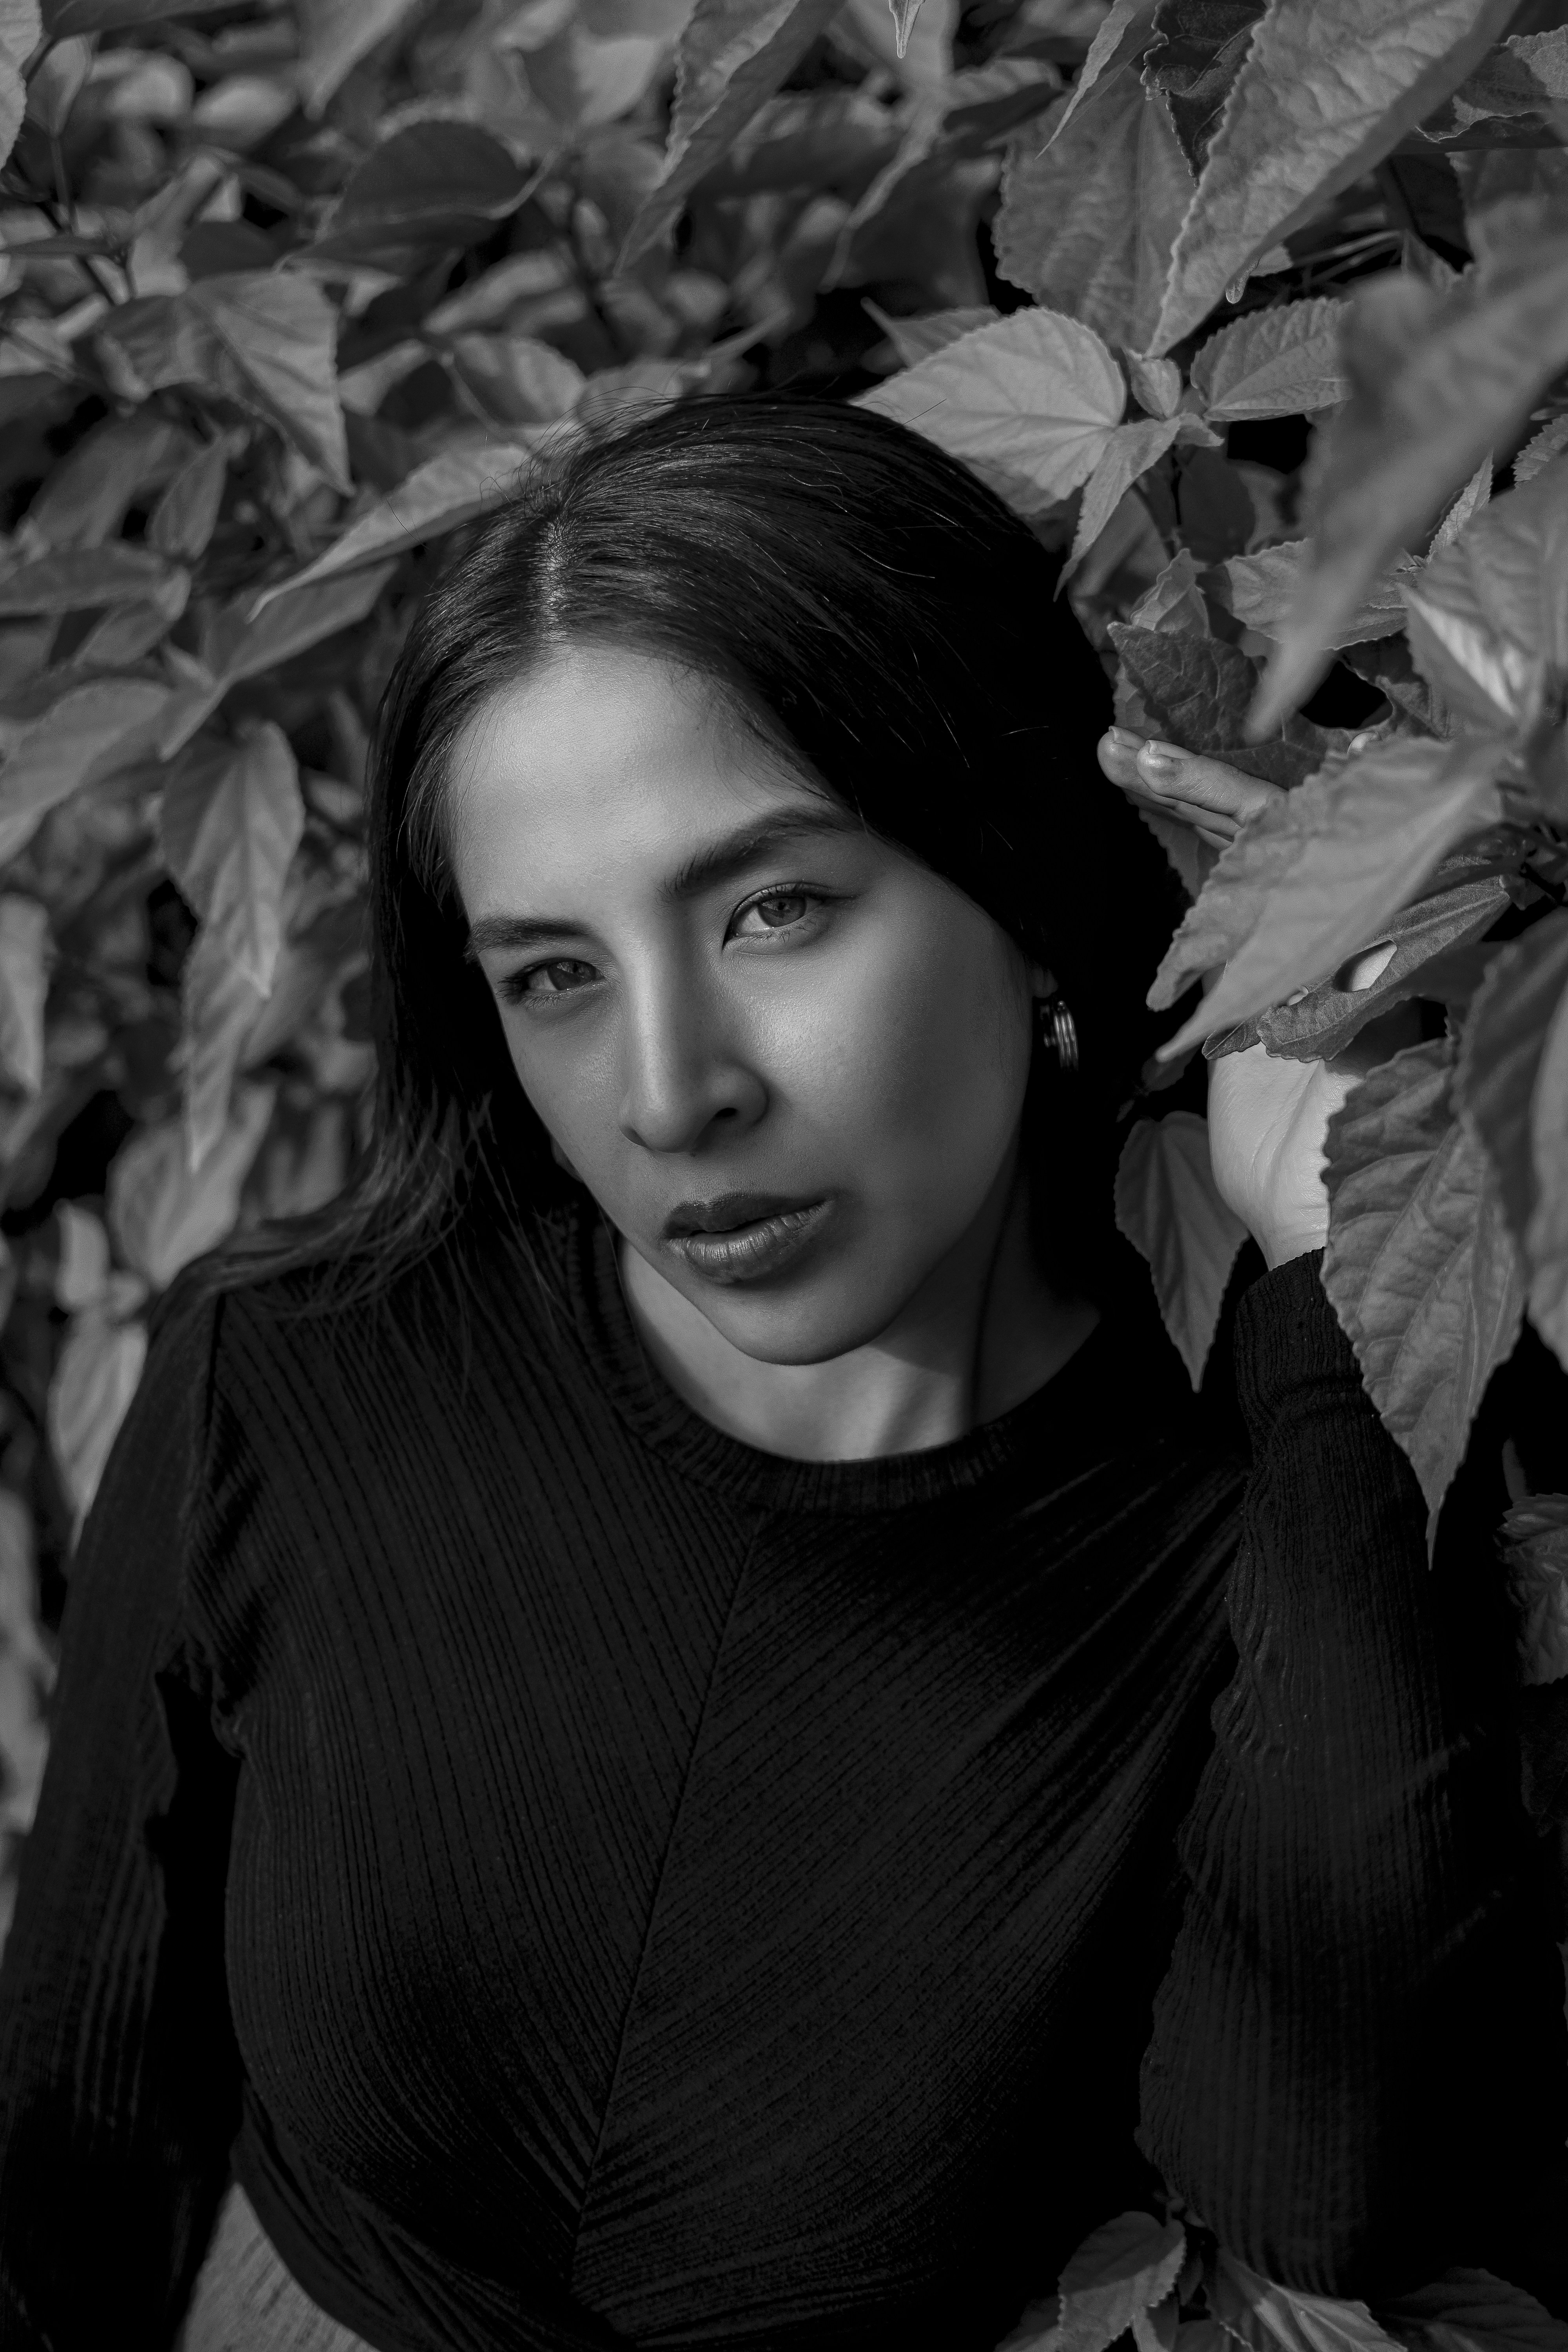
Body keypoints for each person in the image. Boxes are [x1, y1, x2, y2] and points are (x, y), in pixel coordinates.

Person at [0, 395, 1563, 2352]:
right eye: (553, 971)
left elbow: (1313, 2176)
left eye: (774, 909)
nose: (671, 1094)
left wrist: (1336, 1266)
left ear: (1016, 884)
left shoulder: (1231, 1505)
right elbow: (66, 2156)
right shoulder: (299, 1380)